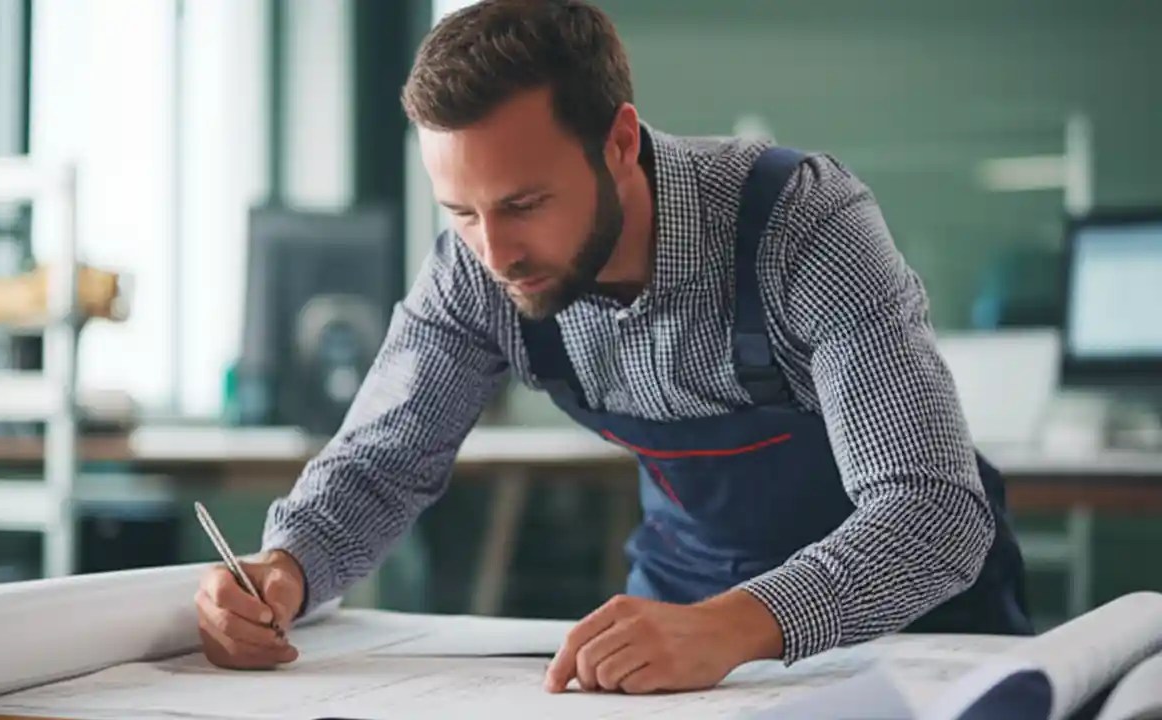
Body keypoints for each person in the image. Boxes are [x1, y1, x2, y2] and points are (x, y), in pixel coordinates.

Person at [194, 0, 1032, 694]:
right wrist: (287, 569)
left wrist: (740, 624)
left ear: (621, 142)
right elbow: (381, 463)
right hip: (675, 618)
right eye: (461, 213)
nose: (495, 251)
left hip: (914, 631)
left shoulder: (805, 227)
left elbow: (933, 513)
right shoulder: (479, 267)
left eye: (524, 203)